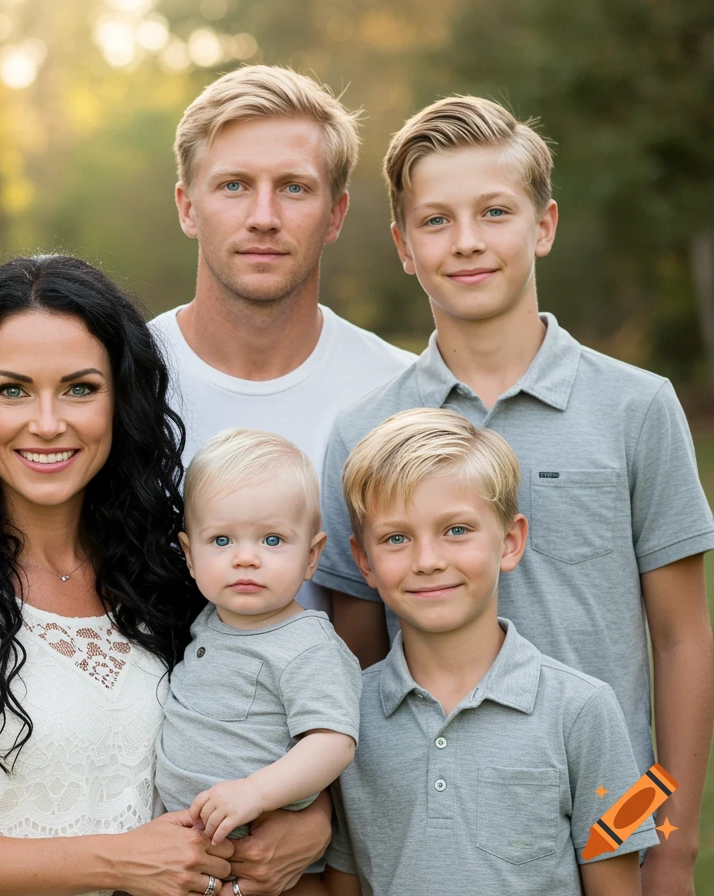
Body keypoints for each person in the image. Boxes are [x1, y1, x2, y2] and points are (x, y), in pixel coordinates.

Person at [0, 255, 326, 896]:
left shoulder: (180, 578)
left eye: (81, 388)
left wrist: (312, 822)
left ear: (121, 401)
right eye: (12, 390)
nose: (49, 422)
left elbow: (282, 722)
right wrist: (115, 862)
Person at [313, 96, 714, 894]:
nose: (467, 241)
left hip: (611, 825)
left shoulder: (636, 408)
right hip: (436, 835)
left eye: (494, 212)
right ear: (403, 246)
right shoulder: (366, 432)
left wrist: (665, 839)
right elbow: (355, 663)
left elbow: (681, 638)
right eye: (435, 221)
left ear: (544, 225)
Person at [316, 407, 653, 896]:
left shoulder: (587, 709)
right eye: (396, 538)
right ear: (364, 561)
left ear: (510, 541)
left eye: (456, 530)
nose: (428, 561)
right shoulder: (346, 717)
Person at [150, 64, 415, 613]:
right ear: (186, 207)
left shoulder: (399, 394)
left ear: (335, 214)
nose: (264, 217)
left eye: (294, 188)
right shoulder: (122, 379)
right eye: (234, 186)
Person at [155, 429, 360, 883]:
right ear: (190, 556)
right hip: (179, 851)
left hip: (252, 848)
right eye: (222, 541)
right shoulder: (206, 620)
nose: (245, 558)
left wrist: (255, 791)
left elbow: (333, 743)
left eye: (271, 540)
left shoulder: (309, 645)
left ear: (311, 556)